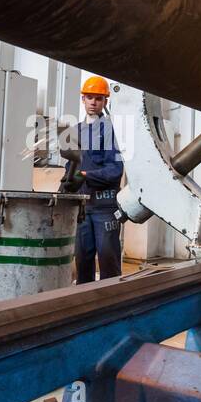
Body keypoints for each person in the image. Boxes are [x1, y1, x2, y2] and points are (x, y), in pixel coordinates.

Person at [69, 75, 123, 282]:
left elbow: (115, 170)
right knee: (82, 258)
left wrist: (85, 176)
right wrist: (65, 188)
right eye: (89, 97)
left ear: (105, 102)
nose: (93, 102)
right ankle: (86, 300)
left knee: (108, 258)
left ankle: (112, 301)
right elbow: (71, 165)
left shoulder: (111, 131)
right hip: (82, 207)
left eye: (98, 99)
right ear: (83, 99)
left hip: (105, 207)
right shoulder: (75, 131)